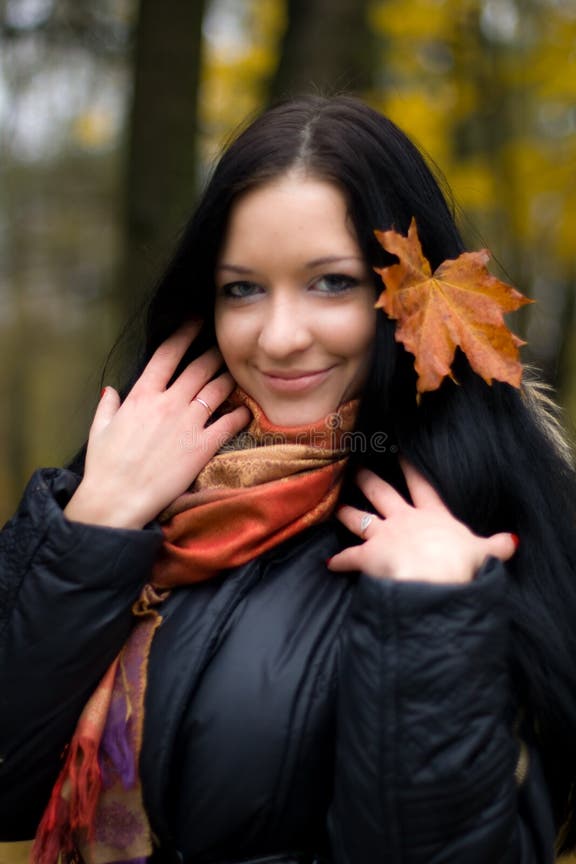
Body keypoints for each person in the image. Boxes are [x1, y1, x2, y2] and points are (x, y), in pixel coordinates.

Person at [1, 94, 576, 864]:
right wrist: (91, 528)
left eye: (330, 283)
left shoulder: (485, 524)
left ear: (408, 296)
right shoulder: (137, 493)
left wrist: (431, 618)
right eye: (242, 288)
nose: (278, 336)